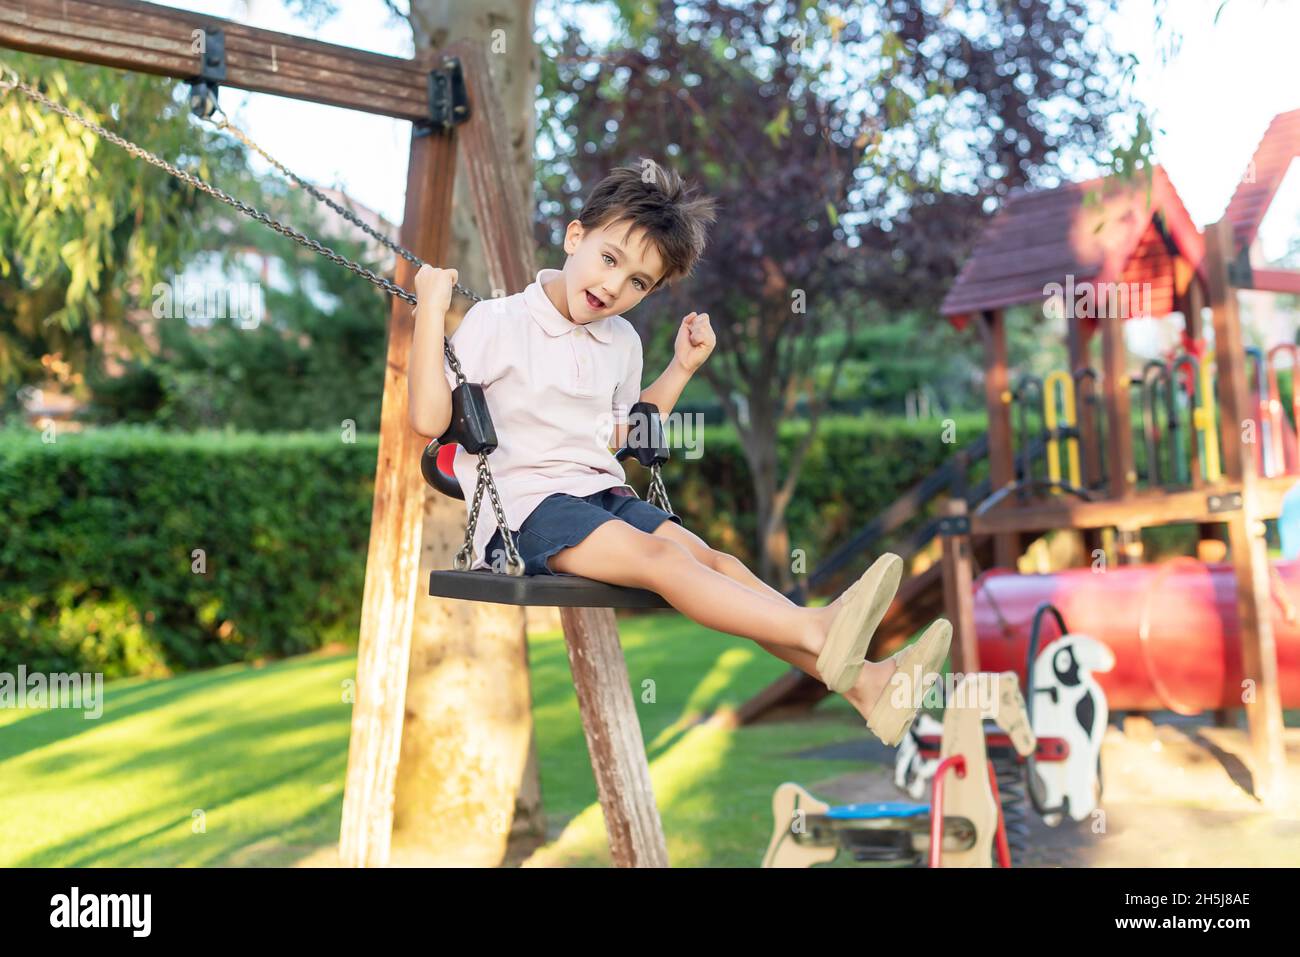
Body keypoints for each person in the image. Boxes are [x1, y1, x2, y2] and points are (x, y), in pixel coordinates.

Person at [408, 158, 949, 745]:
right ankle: (818, 630)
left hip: (599, 495)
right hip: (525, 511)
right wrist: (431, 311)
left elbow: (623, 436)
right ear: (575, 236)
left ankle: (869, 686)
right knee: (664, 562)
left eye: (639, 282)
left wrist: (682, 368)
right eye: (610, 258)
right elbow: (429, 420)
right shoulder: (497, 321)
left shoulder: (621, 340)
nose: (615, 286)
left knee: (719, 564)